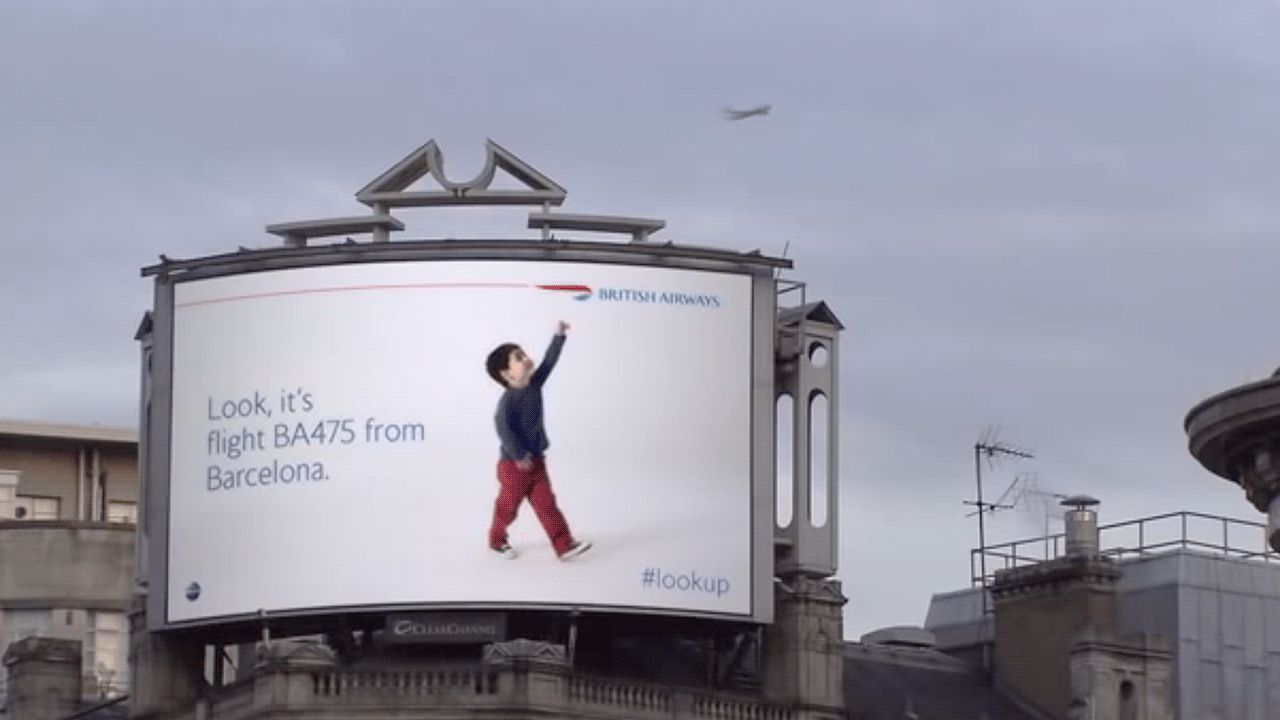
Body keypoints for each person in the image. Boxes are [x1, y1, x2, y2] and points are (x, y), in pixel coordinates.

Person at [484, 320, 591, 561]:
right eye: (518, 358)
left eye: (523, 354)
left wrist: (559, 336)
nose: (526, 359)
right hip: (514, 467)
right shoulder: (507, 403)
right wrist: (519, 455)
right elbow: (504, 430)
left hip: (536, 464)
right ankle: (496, 539)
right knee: (508, 508)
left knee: (547, 505)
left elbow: (549, 362)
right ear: (506, 374)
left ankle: (564, 546)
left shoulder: (535, 385)